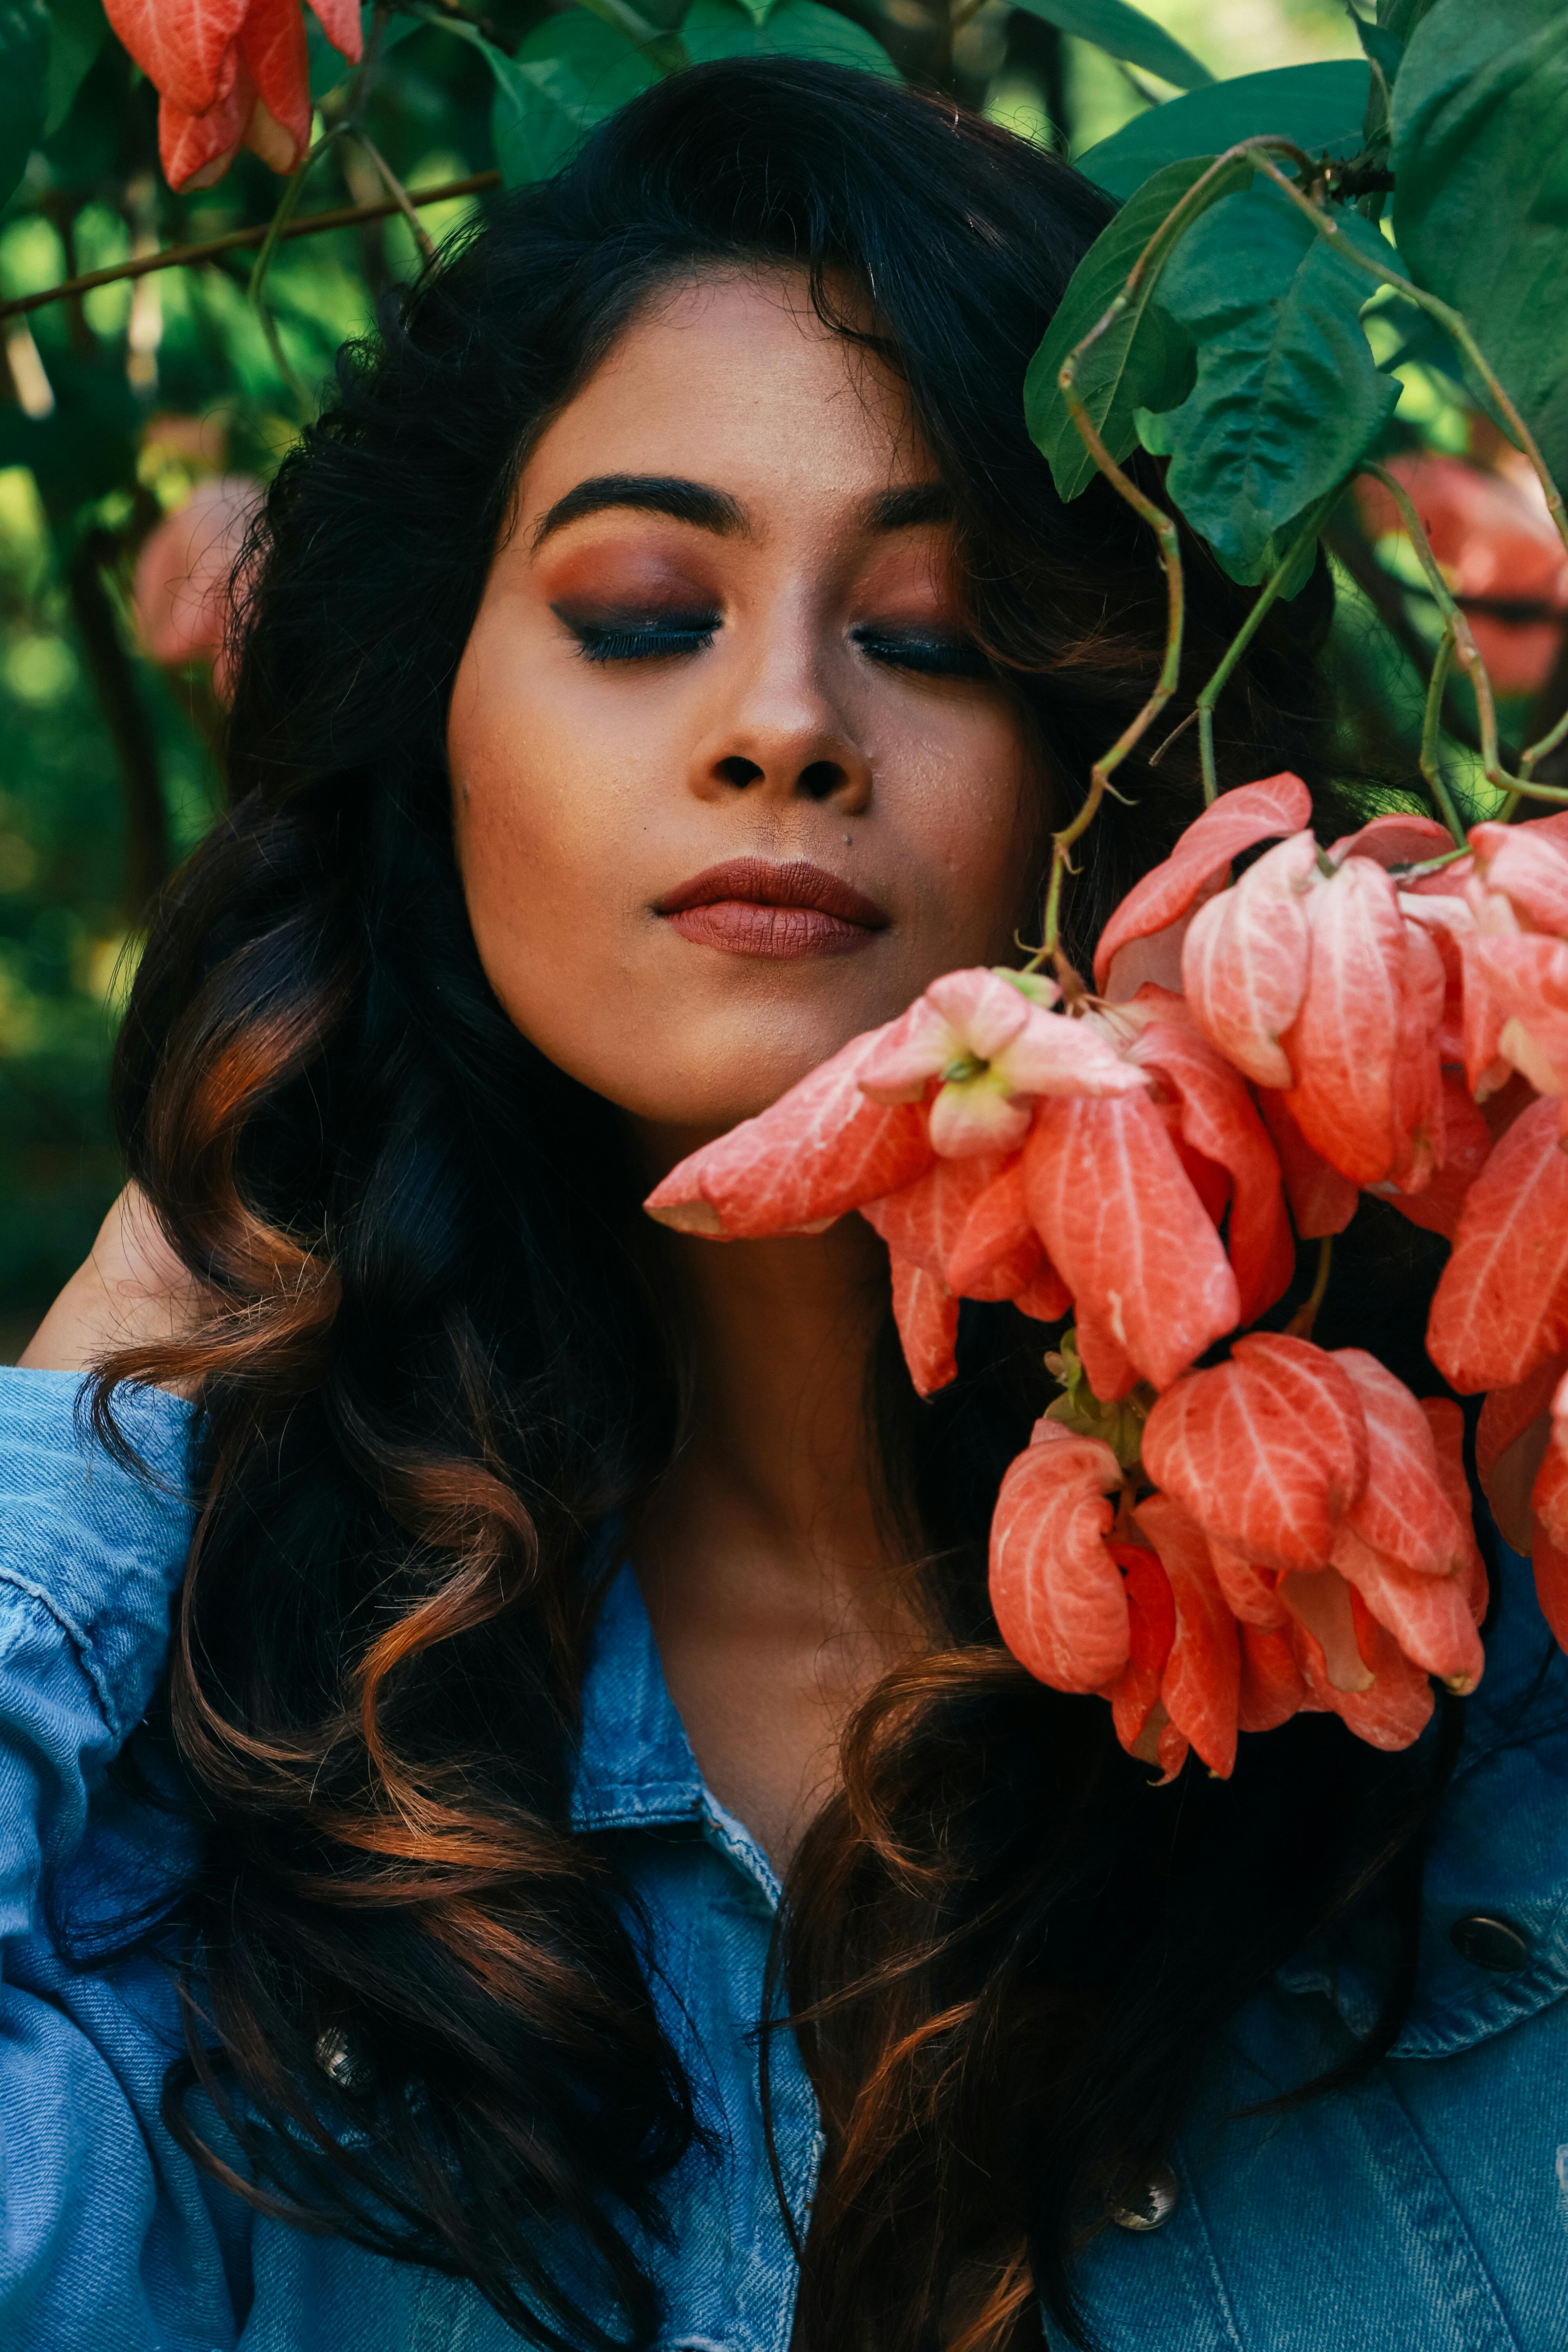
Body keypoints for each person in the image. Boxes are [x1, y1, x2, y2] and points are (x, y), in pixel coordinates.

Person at [4, 57, 1565, 2352]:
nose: (785, 723)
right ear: (434, 736)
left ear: (1101, 763)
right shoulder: (231, 1747)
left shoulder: (1466, 1649)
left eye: (930, 635)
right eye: (642, 608)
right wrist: (132, 1333)